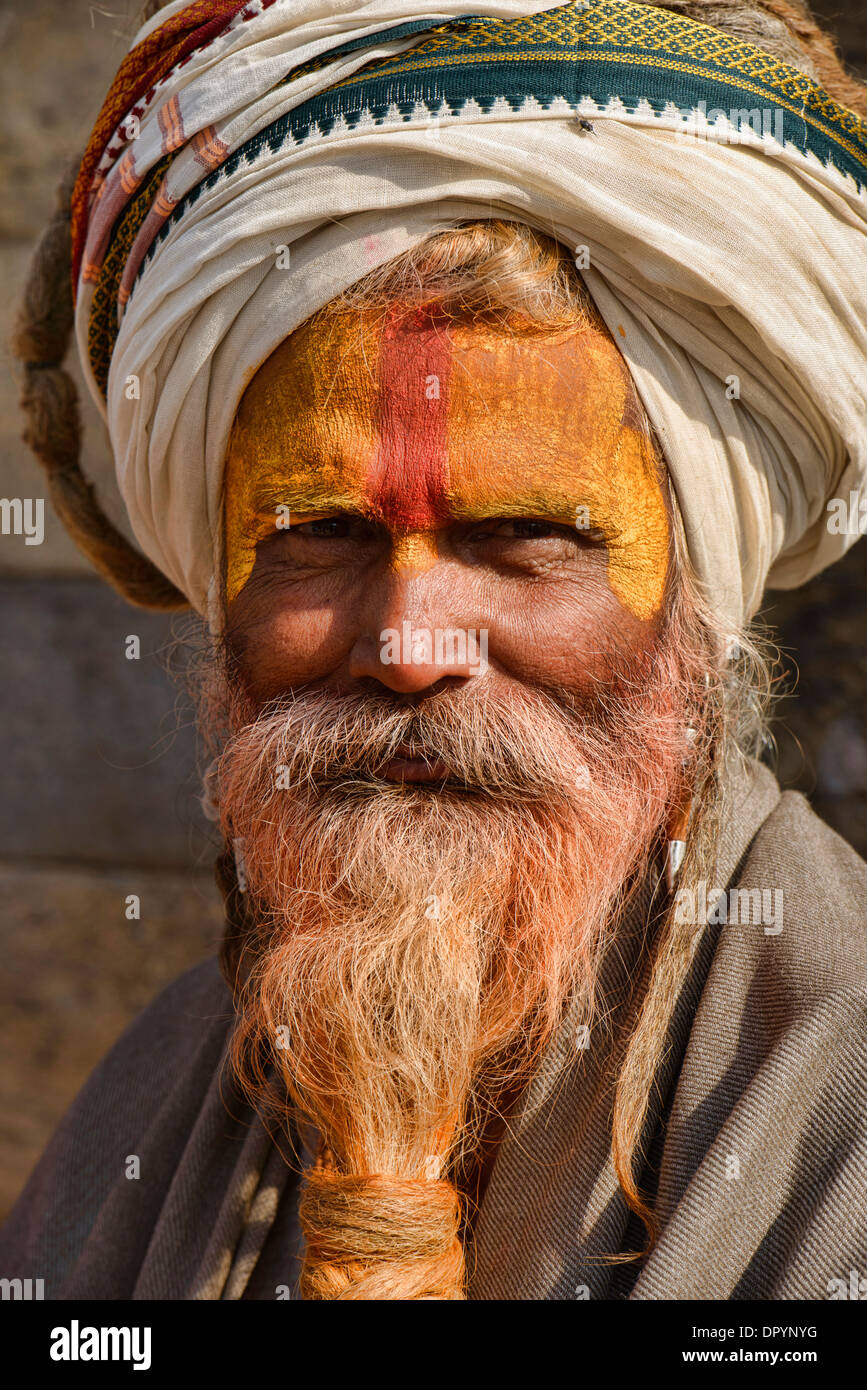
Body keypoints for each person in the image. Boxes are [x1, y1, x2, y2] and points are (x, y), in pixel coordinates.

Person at [2, 0, 866, 1300]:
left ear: (697, 600)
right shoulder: (150, 1099)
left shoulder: (838, 1102)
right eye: (320, 531)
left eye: (527, 536)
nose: (408, 644)